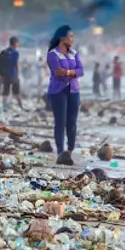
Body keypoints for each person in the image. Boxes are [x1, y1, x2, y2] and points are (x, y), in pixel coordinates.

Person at [46, 25, 83, 166]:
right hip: (58, 90)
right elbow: (57, 72)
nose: (72, 39)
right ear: (62, 38)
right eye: (71, 36)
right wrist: (73, 72)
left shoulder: (74, 53)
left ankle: (70, 149)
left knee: (72, 122)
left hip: (73, 90)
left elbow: (81, 70)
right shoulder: (52, 54)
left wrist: (68, 72)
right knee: (60, 122)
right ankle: (60, 151)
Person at [0, 36, 23, 110]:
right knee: (17, 92)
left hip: (5, 75)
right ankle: (21, 106)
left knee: (5, 92)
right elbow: (15, 64)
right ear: (14, 43)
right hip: (13, 74)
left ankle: (4, 107)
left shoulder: (4, 52)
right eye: (17, 43)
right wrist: (17, 73)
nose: (17, 45)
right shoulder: (16, 53)